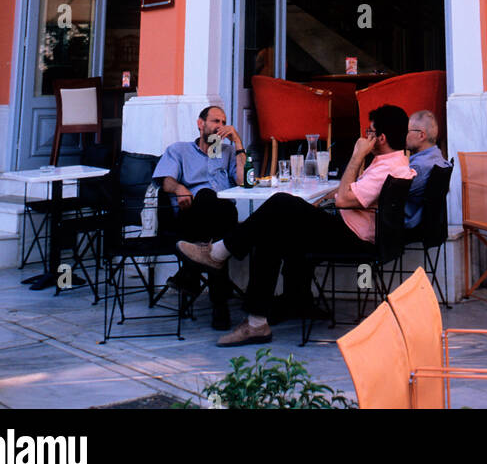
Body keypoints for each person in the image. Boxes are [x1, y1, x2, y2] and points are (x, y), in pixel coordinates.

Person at [178, 103, 415, 345]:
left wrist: (356, 156)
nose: (365, 137)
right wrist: (327, 197)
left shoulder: (384, 168)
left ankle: (220, 254)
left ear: (381, 138)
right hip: (354, 230)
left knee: (280, 203)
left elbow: (344, 198)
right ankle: (266, 315)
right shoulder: (396, 163)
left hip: (354, 239)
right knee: (272, 230)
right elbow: (350, 193)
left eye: (370, 132)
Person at [153, 104, 246, 330]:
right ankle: (219, 305)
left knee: (215, 204)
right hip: (189, 216)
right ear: (200, 123)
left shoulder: (227, 153)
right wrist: (179, 189)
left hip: (224, 214)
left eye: (224, 123)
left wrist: (238, 143)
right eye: (216, 121)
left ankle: (190, 273)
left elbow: (244, 182)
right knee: (204, 196)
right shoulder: (180, 150)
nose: (220, 127)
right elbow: (165, 180)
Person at [405, 110, 449, 231]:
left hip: (406, 225)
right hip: (428, 228)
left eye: (406, 131)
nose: (403, 135)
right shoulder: (438, 158)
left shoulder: (419, 167)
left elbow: (389, 197)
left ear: (421, 135)